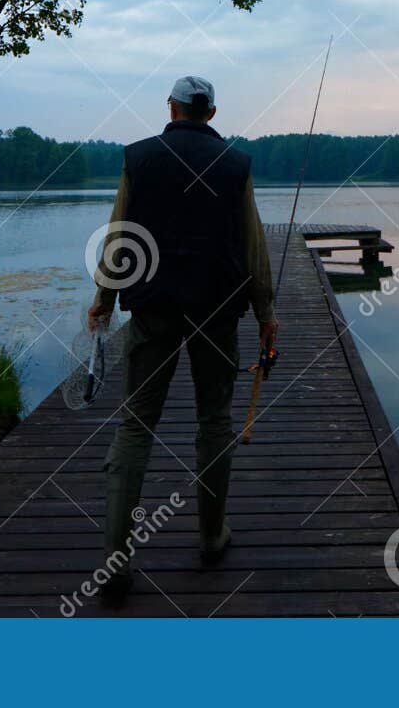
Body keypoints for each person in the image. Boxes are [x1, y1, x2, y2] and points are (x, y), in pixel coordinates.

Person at [87, 75, 278, 608]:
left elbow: (120, 233)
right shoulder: (236, 164)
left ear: (171, 109)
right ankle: (211, 536)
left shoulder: (140, 158)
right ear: (211, 113)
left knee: (135, 425)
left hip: (153, 308)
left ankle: (115, 562)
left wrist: (103, 297)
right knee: (214, 420)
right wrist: (266, 311)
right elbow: (253, 241)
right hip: (219, 307)